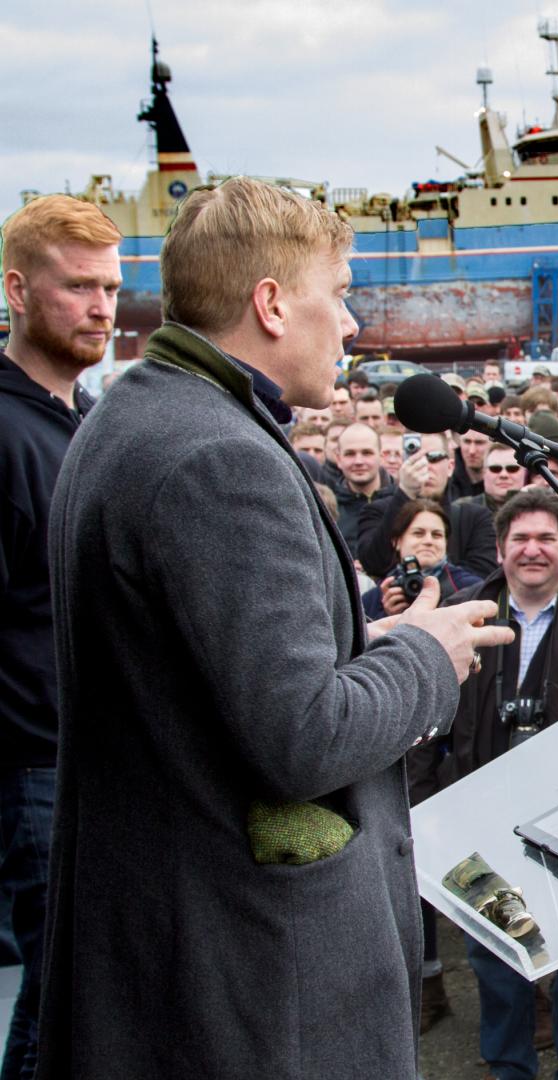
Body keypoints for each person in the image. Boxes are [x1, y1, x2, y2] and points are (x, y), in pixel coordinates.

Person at [40, 175, 514, 1077]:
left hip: (168, 948)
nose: (351, 325)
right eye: (337, 296)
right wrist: (425, 656)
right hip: (251, 984)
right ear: (270, 303)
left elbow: (197, 680)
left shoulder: (135, 417)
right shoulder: (222, 459)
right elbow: (301, 737)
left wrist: (354, 648)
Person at [412, 488, 558, 1080]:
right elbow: (422, 726)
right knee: (497, 965)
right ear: (500, 548)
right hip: (479, 824)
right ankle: (508, 1071)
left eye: (547, 539)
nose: (533, 550)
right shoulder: (461, 618)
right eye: (521, 539)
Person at [0, 194, 121, 1079]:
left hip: (85, 759)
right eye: (78, 287)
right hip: (35, 767)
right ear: (16, 290)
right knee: (56, 1007)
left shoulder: (75, 422)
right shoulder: (7, 432)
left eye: (111, 288)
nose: (102, 308)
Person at [356, 430, 499, 582]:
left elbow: (483, 576)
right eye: (414, 458)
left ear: (450, 467)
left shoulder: (475, 518)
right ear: (402, 464)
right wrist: (405, 492)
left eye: (434, 457)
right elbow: (373, 564)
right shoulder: (377, 511)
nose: (424, 465)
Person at [361, 499, 484, 620]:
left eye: (437, 535)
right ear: (396, 542)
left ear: (446, 543)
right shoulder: (373, 598)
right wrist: (389, 616)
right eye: (418, 533)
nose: (428, 541)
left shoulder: (470, 588)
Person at [333, 421, 395, 553]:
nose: (358, 461)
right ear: (338, 459)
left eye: (367, 453)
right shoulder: (328, 508)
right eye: (350, 454)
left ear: (381, 457)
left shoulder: (401, 504)